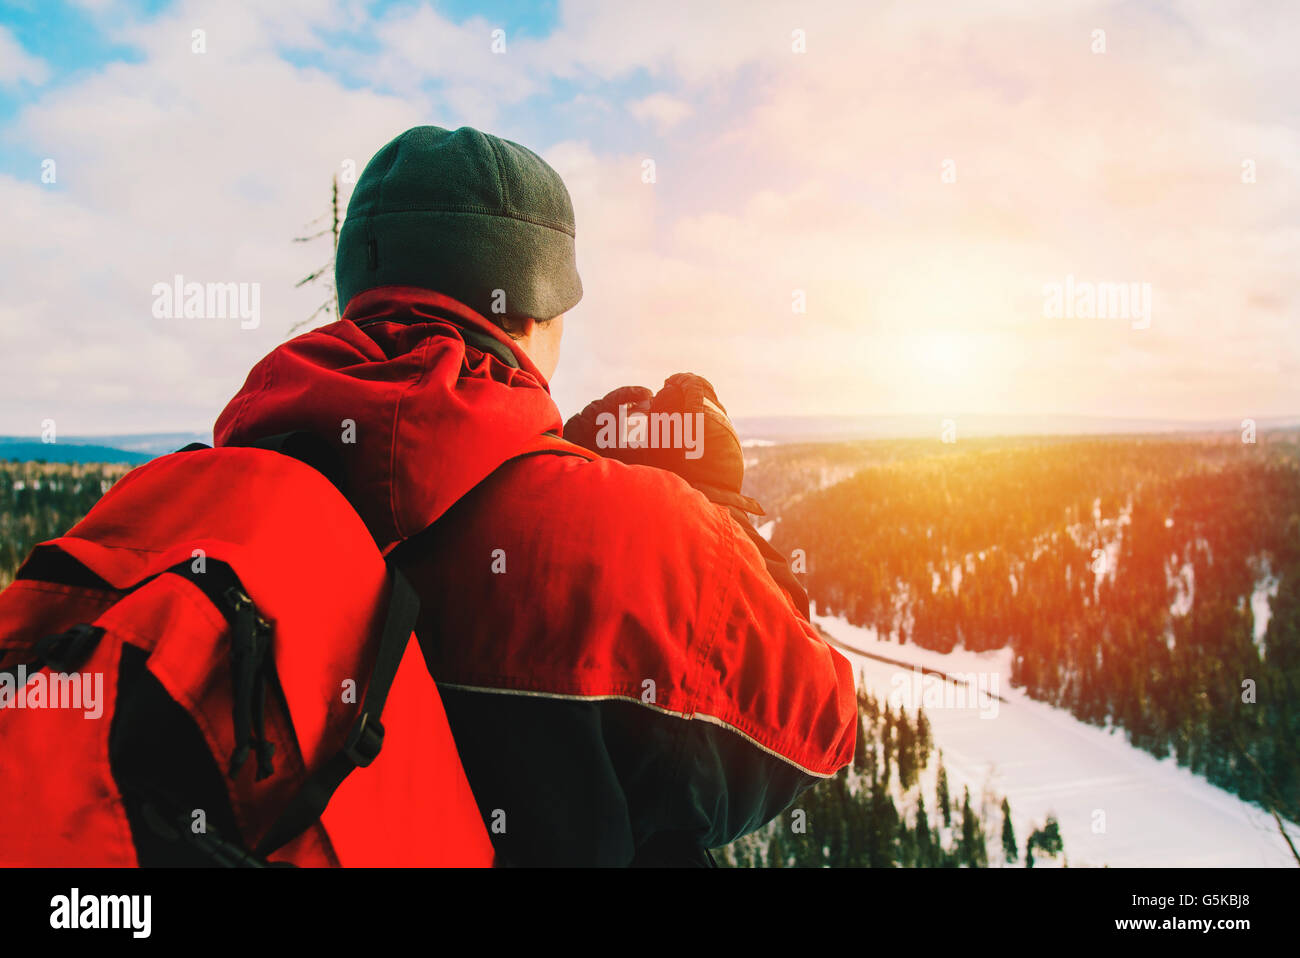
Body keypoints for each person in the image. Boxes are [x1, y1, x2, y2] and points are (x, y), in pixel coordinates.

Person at [214, 125, 856, 866]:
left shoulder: (218, 497)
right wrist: (710, 515)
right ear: (534, 310)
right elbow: (819, 725)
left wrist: (560, 474)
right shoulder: (636, 533)